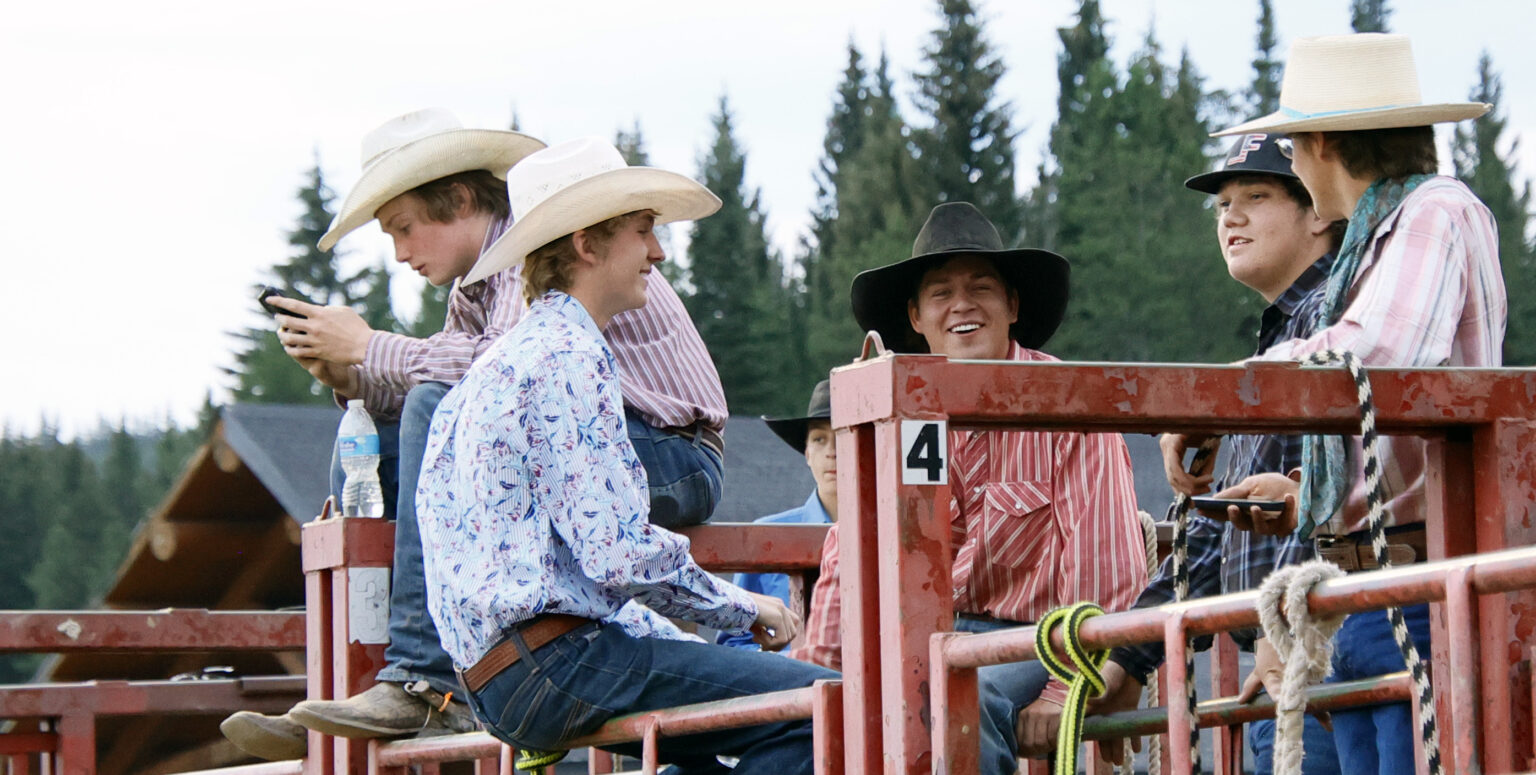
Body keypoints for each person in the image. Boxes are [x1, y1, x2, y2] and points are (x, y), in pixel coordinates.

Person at [222, 110, 731, 760]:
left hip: (671, 453)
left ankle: (427, 680)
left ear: (459, 199)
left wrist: (370, 346)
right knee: (380, 437)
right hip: (598, 448)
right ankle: (379, 673)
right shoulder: (476, 289)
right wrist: (348, 372)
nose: (402, 252)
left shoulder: (534, 247)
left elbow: (502, 379)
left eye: (405, 228)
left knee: (436, 405)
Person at [416, 137, 837, 773]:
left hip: (499, 677)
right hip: (561, 663)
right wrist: (749, 608)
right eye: (643, 231)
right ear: (587, 243)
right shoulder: (571, 358)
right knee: (822, 708)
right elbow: (617, 553)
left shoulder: (486, 375)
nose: (658, 251)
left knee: (714, 740)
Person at [1203, 34, 1503, 774]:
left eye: (1292, 145)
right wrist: (1309, 493)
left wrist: (1217, 402)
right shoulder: (1381, 238)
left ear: (1321, 142)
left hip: (1414, 585)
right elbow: (1393, 398)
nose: (1294, 161)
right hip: (1371, 586)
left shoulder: (1435, 210)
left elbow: (1374, 351)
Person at [793, 202, 1146, 775]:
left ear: (1011, 305)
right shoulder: (890, 417)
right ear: (915, 315)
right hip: (920, 647)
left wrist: (1065, 687)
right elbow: (848, 557)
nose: (962, 304)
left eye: (981, 286)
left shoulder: (1068, 406)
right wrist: (822, 680)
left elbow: (1103, 571)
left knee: (958, 695)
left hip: (1033, 642)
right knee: (822, 719)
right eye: (940, 292)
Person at [1040, 133, 1344, 773]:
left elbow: (1337, 496)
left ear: (1318, 211)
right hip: (1292, 662)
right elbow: (1212, 538)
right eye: (1222, 204)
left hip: (1318, 659)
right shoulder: (1280, 343)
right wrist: (1130, 659)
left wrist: (1288, 636)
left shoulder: (1335, 321)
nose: (1229, 216)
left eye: (1255, 197)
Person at [717, 379, 836, 649]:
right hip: (792, 688)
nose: (832, 452)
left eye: (844, 437)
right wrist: (786, 663)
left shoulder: (894, 535)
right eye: (820, 439)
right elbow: (734, 645)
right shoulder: (766, 537)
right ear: (806, 453)